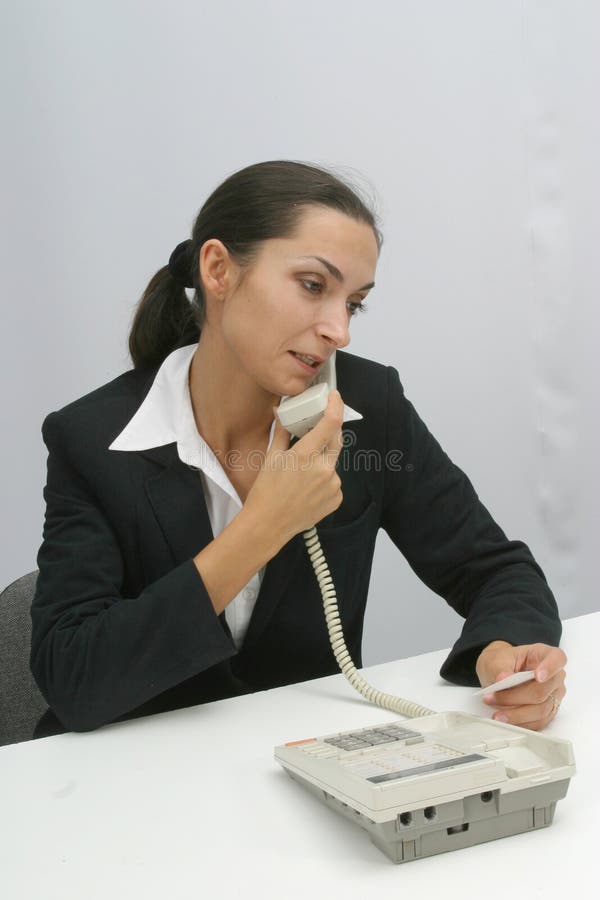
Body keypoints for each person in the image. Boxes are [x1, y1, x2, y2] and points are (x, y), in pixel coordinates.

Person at [31, 160, 567, 737]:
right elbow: (72, 676)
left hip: (302, 771)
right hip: (129, 785)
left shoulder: (368, 407)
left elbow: (493, 569)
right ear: (218, 270)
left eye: (354, 303)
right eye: (313, 286)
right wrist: (262, 526)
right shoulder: (92, 439)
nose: (340, 329)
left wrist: (505, 649)